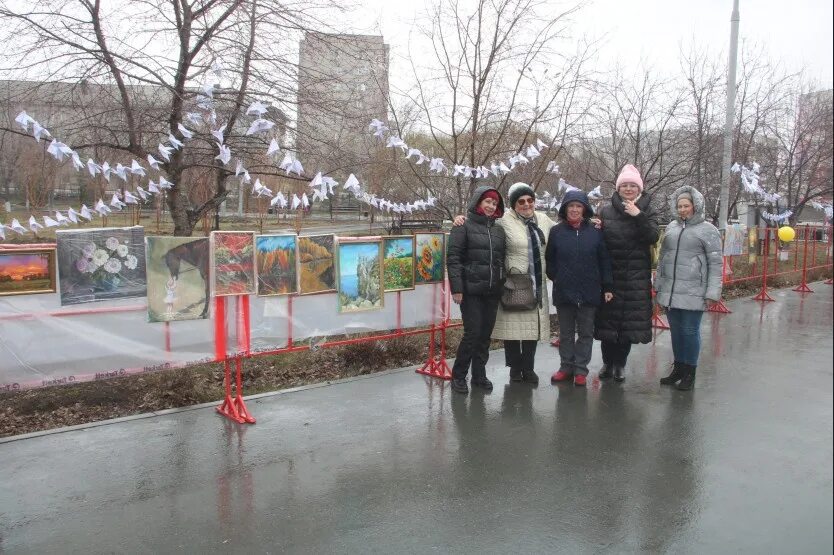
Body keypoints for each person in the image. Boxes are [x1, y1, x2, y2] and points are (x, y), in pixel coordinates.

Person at [593, 164, 661, 382]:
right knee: (607, 324)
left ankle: (620, 365)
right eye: (625, 185)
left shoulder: (647, 210)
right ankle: (607, 363)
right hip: (611, 275)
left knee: (628, 325)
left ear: (639, 189)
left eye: (633, 185)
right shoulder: (605, 210)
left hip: (635, 277)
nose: (629, 189)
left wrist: (638, 215)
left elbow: (652, 237)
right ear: (618, 188)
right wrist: (592, 226)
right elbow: (597, 241)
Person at [654, 185, 722, 391]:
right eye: (680, 206)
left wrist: (712, 292)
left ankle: (690, 373)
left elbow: (716, 263)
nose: (683, 209)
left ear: (696, 205)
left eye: (687, 205)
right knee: (676, 332)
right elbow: (663, 258)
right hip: (671, 291)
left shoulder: (708, 230)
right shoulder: (672, 228)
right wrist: (659, 285)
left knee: (690, 331)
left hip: (695, 290)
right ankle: (679, 369)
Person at [545, 190, 614, 386]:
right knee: (565, 333)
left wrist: (607, 286)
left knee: (585, 333)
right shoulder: (556, 232)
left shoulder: (595, 233)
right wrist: (556, 277)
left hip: (589, 291)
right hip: (564, 291)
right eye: (571, 206)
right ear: (565, 209)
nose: (574, 210)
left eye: (578, 206)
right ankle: (566, 366)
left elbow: (604, 261)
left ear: (585, 209)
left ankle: (581, 369)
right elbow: (550, 259)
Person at [491, 182, 556, 385]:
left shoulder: (543, 220)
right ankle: (514, 368)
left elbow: (564, 231)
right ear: (513, 204)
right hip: (514, 283)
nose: (527, 204)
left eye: (530, 200)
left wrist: (592, 223)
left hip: (537, 282)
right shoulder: (503, 221)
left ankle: (528, 368)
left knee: (532, 329)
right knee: (512, 329)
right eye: (521, 201)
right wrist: (460, 220)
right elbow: (482, 225)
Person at [447, 186, 506, 394]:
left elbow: (500, 260)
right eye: (487, 201)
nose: (491, 206)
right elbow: (453, 259)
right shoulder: (462, 226)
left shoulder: (498, 230)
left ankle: (479, 376)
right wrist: (457, 288)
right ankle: (459, 376)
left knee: (485, 336)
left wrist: (501, 283)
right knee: (472, 334)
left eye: (494, 203)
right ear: (478, 202)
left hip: (492, 291)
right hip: (470, 291)